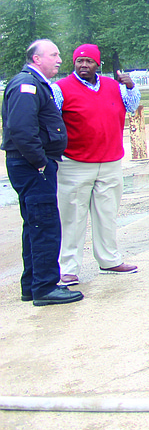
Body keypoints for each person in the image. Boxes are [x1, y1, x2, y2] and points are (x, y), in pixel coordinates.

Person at [2, 40, 81, 306]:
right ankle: (45, 287)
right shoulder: (26, 85)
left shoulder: (35, 83)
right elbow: (21, 129)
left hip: (32, 164)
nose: (60, 59)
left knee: (35, 224)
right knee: (45, 224)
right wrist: (40, 163)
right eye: (54, 55)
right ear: (37, 59)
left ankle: (32, 284)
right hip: (32, 166)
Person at [53, 44, 141, 284]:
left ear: (97, 64)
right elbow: (51, 119)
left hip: (110, 160)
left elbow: (132, 106)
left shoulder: (114, 86)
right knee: (72, 217)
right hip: (75, 162)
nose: (84, 65)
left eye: (89, 61)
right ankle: (68, 267)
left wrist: (130, 85)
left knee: (107, 214)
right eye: (79, 61)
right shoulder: (60, 89)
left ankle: (109, 259)